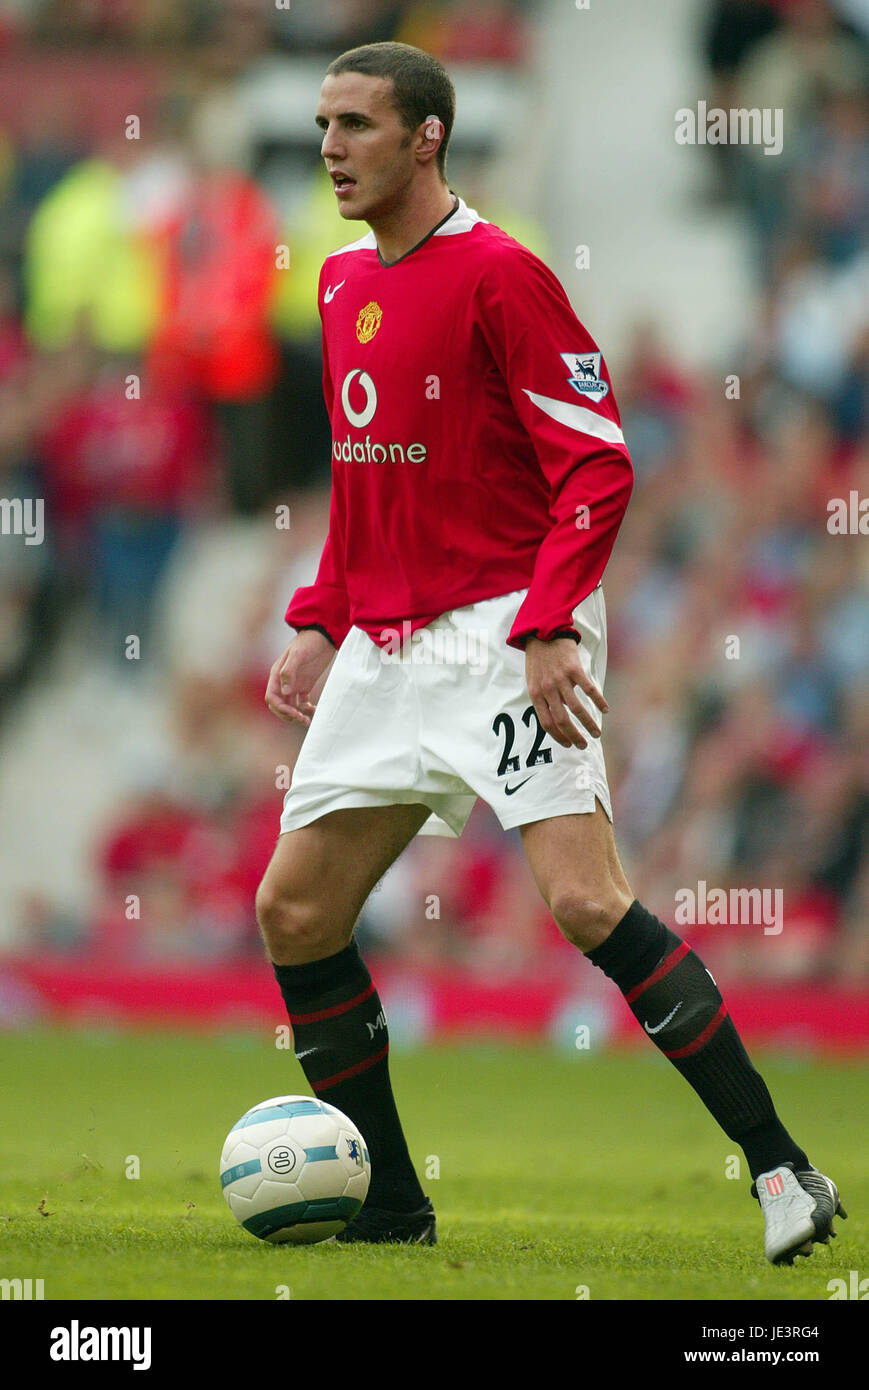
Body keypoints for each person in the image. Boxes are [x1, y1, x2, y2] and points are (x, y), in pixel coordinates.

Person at [256, 41, 845, 1262]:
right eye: (322, 125)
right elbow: (362, 481)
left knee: (582, 899)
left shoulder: (504, 277)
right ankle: (391, 1206)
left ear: (425, 137)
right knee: (296, 908)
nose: (329, 150)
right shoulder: (335, 284)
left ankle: (784, 1170)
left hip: (500, 625)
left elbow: (596, 462)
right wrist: (320, 612)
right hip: (385, 638)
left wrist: (545, 625)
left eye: (355, 126)